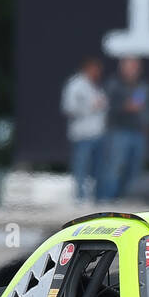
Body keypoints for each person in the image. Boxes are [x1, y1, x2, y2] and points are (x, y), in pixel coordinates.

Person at [101, 57, 149, 200]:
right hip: (119, 131)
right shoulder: (113, 85)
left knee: (134, 168)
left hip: (138, 132)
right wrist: (125, 107)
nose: (132, 70)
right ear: (122, 68)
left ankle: (128, 199)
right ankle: (108, 199)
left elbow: (144, 109)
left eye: (135, 67)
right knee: (114, 167)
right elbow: (105, 107)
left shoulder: (142, 86)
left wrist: (147, 125)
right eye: (129, 66)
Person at [60, 57, 106, 202]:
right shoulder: (75, 85)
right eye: (95, 69)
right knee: (81, 168)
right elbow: (68, 108)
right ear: (87, 68)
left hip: (98, 134)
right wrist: (90, 107)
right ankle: (80, 198)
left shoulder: (95, 86)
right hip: (82, 135)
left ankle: (97, 198)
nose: (98, 72)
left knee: (98, 168)